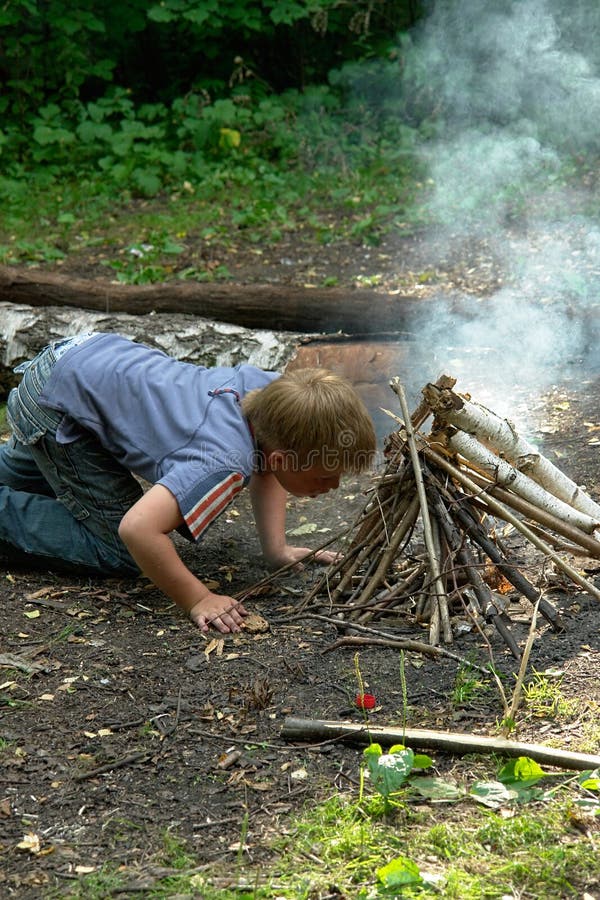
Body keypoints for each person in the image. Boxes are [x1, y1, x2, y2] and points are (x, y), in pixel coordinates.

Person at [0, 332, 376, 634]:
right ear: (282, 459)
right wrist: (198, 597)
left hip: (80, 363)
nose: (335, 485)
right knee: (119, 548)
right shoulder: (222, 462)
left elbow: (269, 464)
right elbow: (138, 528)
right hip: (60, 409)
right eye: (328, 475)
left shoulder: (274, 398)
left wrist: (275, 549)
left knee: (25, 476)